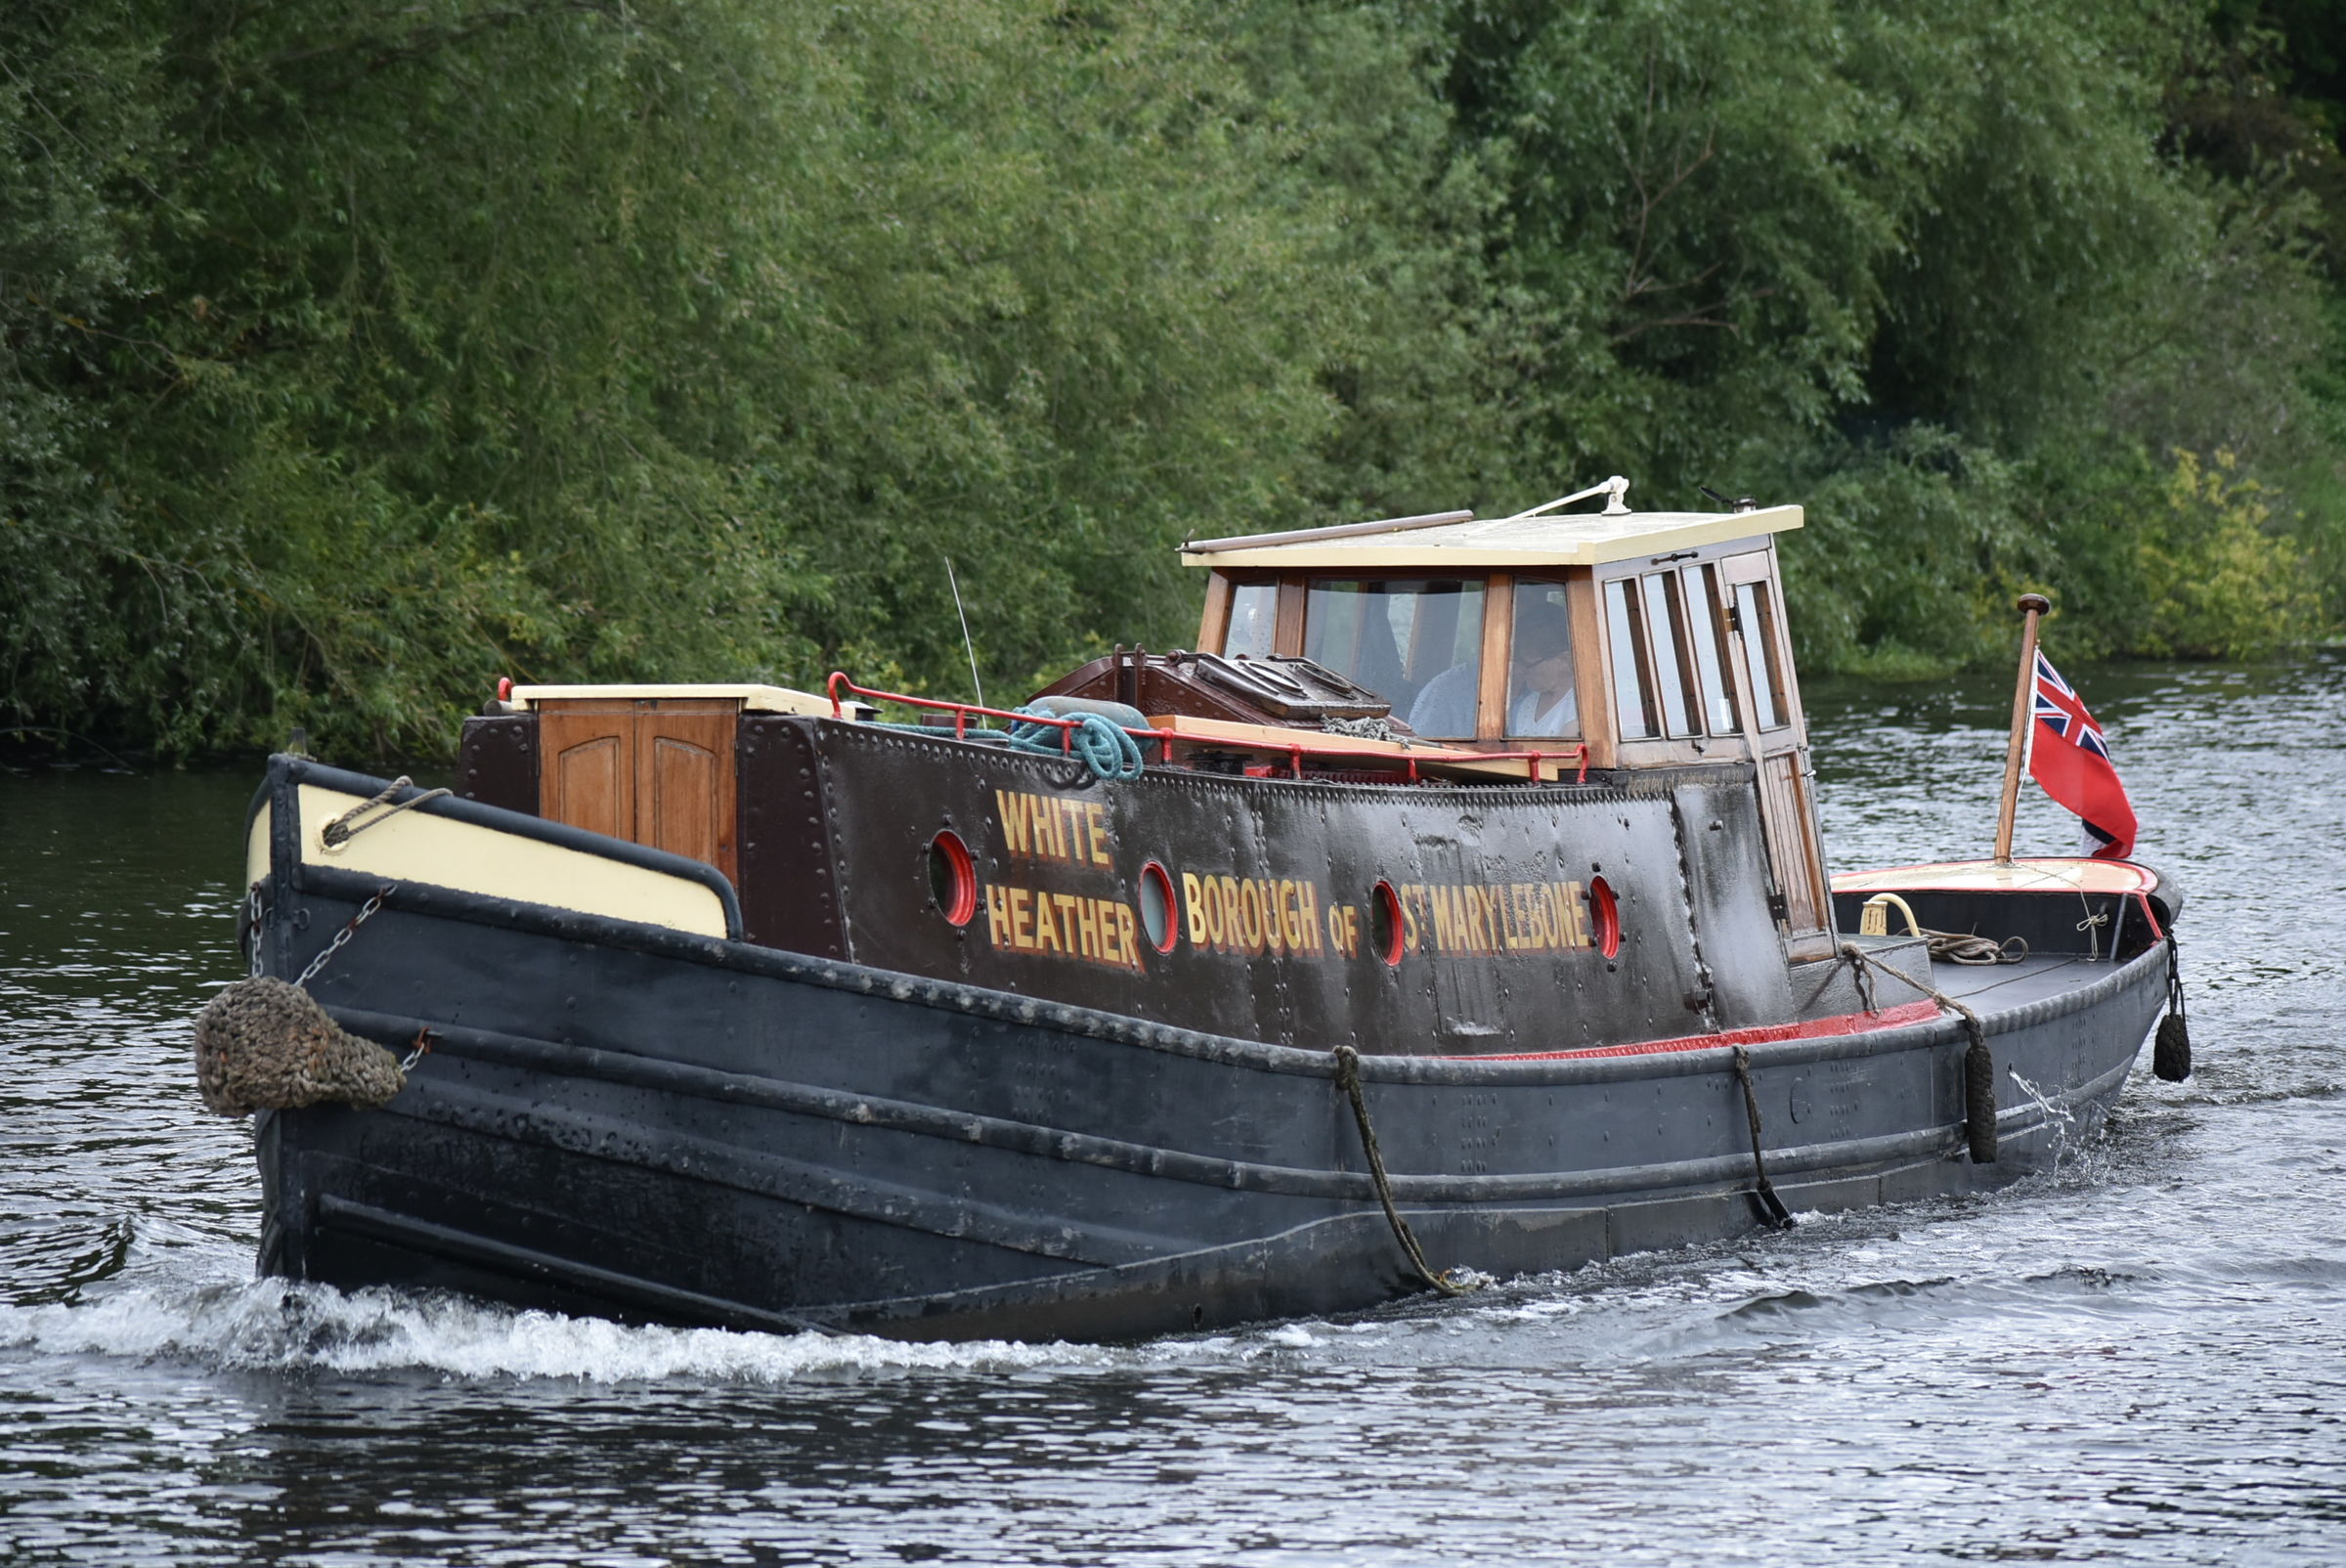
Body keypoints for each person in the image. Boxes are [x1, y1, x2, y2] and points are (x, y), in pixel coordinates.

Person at [1508, 615, 1578, 735]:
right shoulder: (1525, 704)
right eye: (1521, 664)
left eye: (1530, 665)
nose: (1523, 672)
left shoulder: (1581, 705)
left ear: (1564, 660)